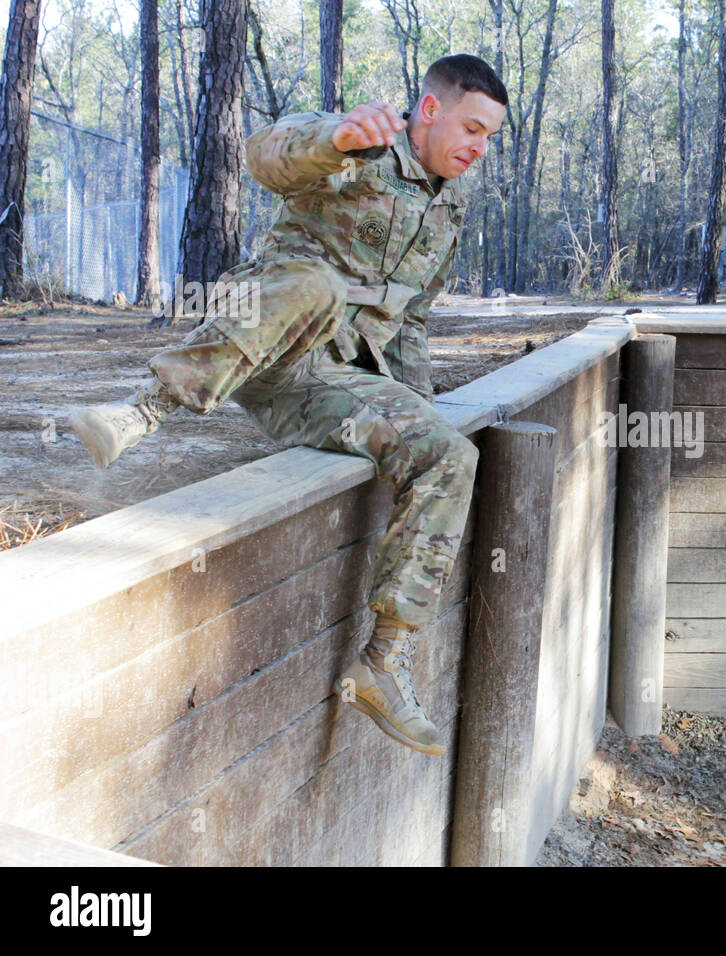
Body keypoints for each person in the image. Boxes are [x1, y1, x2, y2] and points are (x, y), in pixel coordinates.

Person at [69, 54, 509, 756]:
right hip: (263, 336)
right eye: (472, 127)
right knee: (318, 287)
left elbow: (411, 321)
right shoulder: (358, 141)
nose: (479, 147)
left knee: (451, 454)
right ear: (430, 110)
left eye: (489, 137)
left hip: (329, 382)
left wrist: (417, 410)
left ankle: (383, 664)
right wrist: (333, 138)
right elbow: (264, 156)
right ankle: (144, 409)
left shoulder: (448, 203)